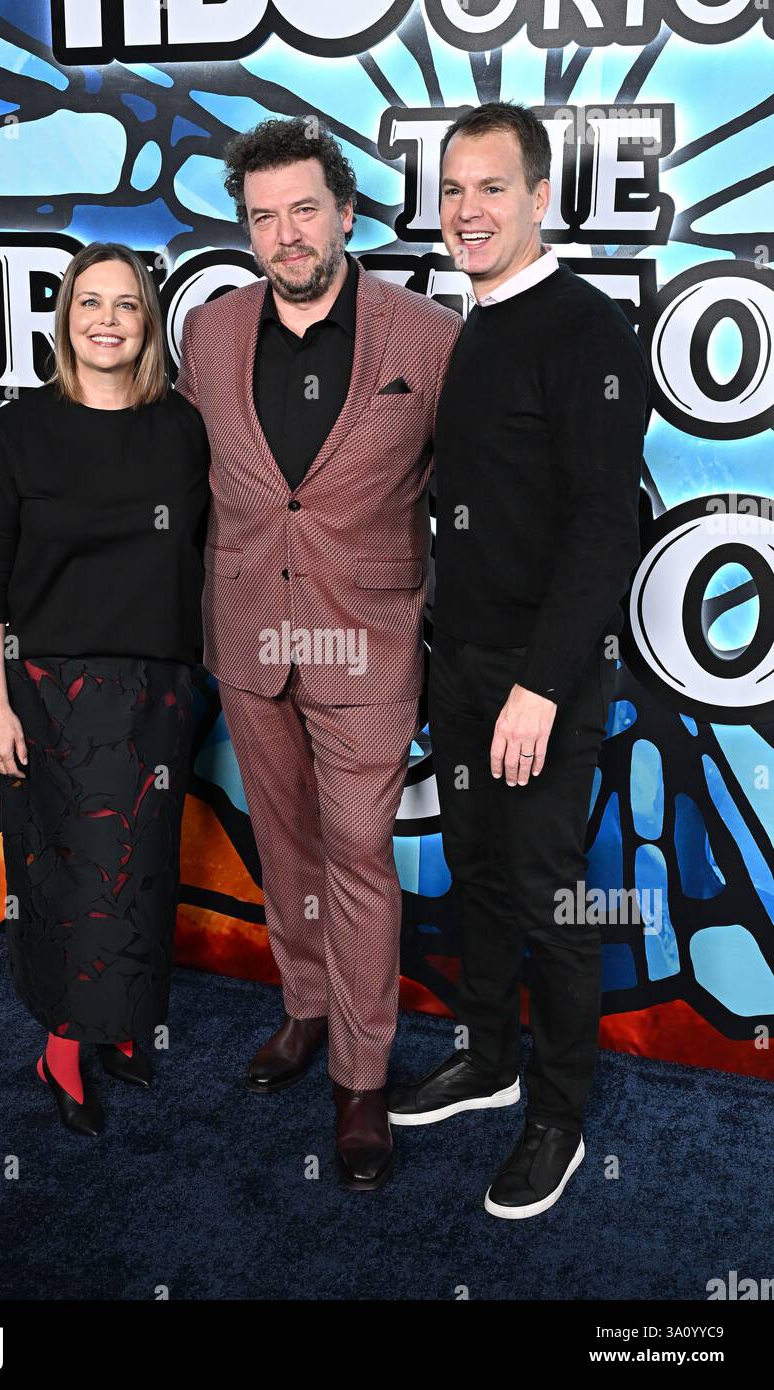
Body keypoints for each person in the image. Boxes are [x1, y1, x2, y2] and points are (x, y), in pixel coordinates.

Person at [175, 117, 461, 1190]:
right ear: (246, 230)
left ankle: (360, 1079)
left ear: (346, 212)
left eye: (305, 210)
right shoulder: (207, 332)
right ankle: (301, 1009)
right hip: (249, 639)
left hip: (368, 645)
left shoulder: (428, 338)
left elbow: (472, 493)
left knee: (355, 856)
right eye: (264, 217)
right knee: (286, 848)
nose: (286, 234)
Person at [387, 102, 649, 1218]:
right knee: (478, 875)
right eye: (451, 189)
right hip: (465, 662)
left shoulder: (588, 331)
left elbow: (604, 523)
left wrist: (540, 685)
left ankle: (558, 1109)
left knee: (547, 895)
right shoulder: (473, 325)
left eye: (490, 187)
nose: (466, 210)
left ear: (540, 198)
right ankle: (489, 1059)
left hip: (545, 674)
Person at [0, 242, 209, 1137]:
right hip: (44, 691)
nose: (106, 319)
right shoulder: (22, 428)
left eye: (127, 304)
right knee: (63, 873)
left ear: (149, 323)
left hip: (157, 692)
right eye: (88, 303)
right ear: (65, 320)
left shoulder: (182, 427)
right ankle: (63, 1043)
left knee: (140, 874)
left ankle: (124, 1025)